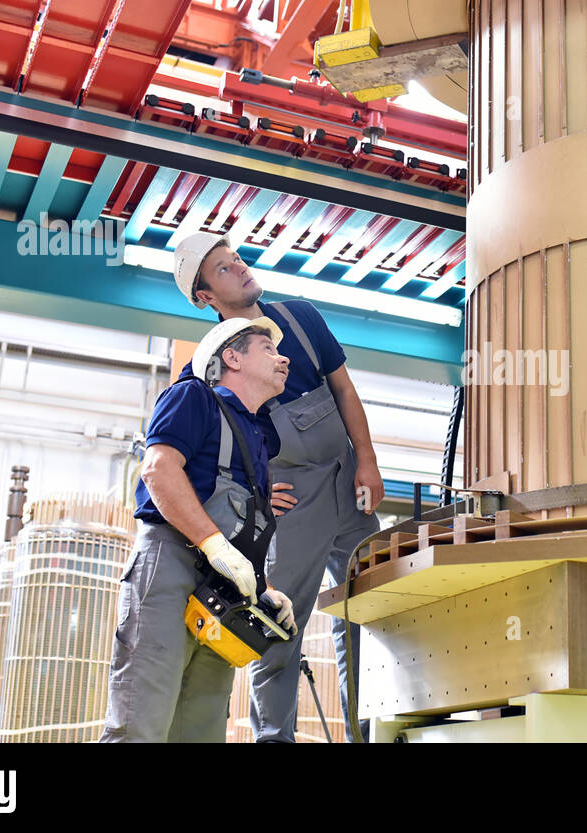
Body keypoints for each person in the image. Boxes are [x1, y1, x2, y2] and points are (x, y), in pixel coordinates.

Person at [172, 231, 383, 743]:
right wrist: (256, 496)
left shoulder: (301, 319)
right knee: (279, 626)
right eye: (223, 269)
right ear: (205, 297)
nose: (239, 268)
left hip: (347, 480)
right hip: (292, 505)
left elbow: (343, 389)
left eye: (237, 259)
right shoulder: (207, 367)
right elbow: (203, 452)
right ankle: (274, 739)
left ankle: (369, 733)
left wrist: (368, 461)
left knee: (367, 613)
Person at [100, 317, 298, 742]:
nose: (283, 358)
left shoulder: (257, 441)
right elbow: (159, 469)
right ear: (231, 357)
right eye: (267, 348)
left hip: (223, 594)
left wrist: (263, 587)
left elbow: (242, 528)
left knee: (200, 731)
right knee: (140, 721)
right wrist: (213, 544)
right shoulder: (194, 398)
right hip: (171, 570)